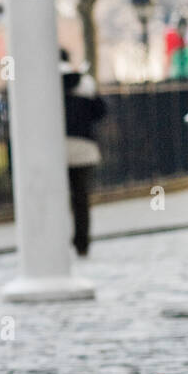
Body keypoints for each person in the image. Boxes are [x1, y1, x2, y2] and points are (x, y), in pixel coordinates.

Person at [61, 49, 107, 256]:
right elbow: (100, 111)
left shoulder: (44, 83)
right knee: (81, 197)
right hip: (84, 147)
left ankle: (58, 240)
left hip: (55, 148)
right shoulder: (84, 83)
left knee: (56, 197)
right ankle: (82, 242)